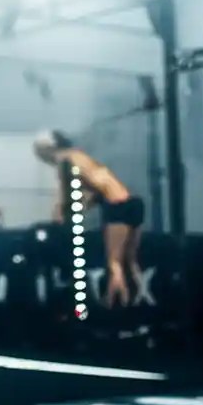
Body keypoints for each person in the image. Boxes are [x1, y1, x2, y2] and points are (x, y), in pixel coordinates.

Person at [33, 130, 145, 309]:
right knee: (130, 261)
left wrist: (59, 218)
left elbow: (66, 197)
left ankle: (117, 302)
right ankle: (139, 299)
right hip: (132, 202)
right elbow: (98, 188)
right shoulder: (80, 157)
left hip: (117, 206)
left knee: (114, 263)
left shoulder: (64, 160)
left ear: (48, 149)